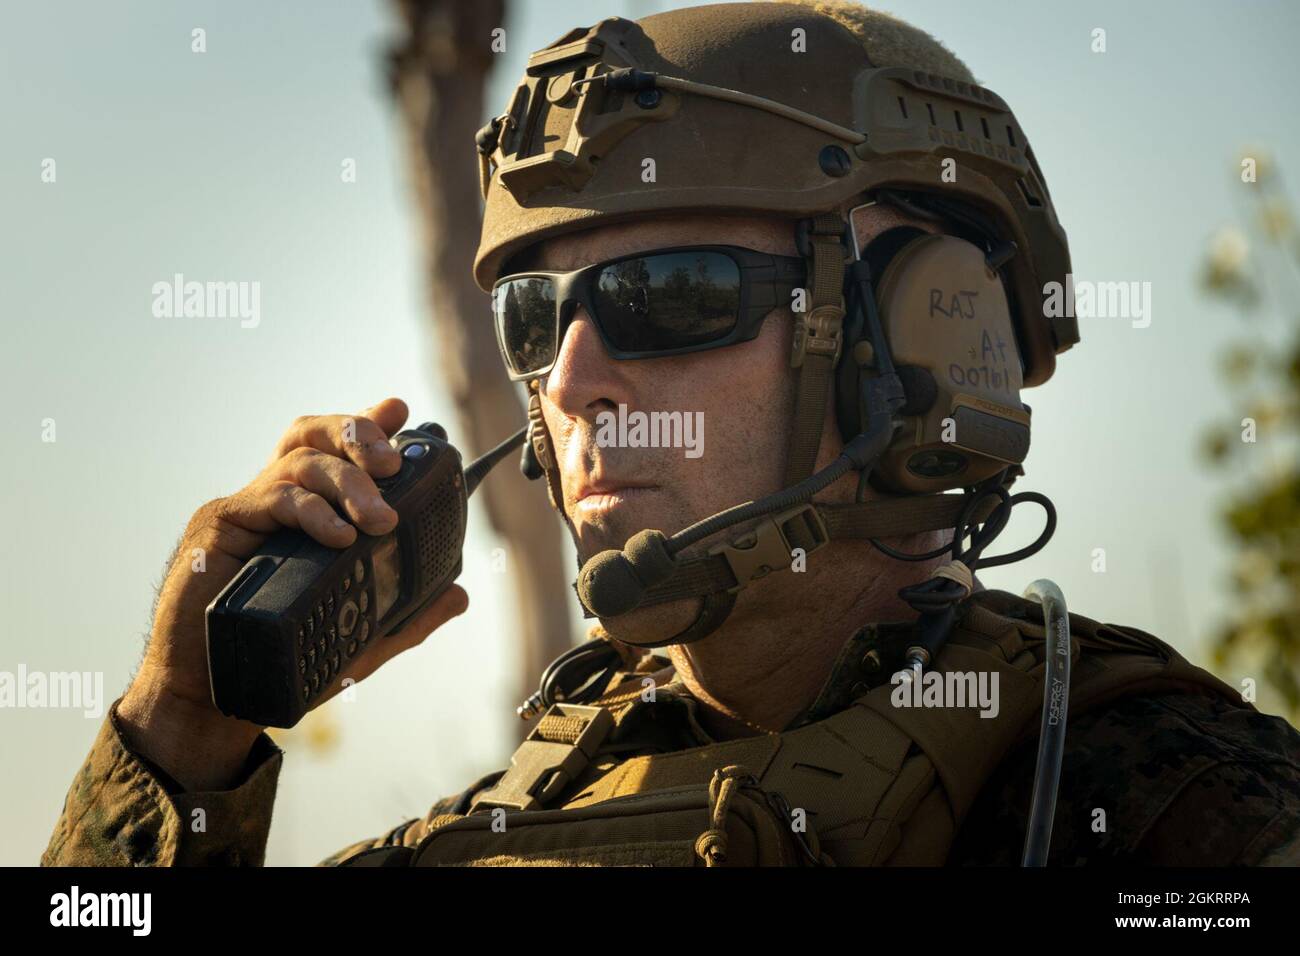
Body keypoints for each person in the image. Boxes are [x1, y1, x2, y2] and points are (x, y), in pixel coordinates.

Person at [43, 0, 1300, 867]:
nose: (574, 375)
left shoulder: (1164, 806)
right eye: (536, 317)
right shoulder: (505, 821)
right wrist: (185, 723)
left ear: (917, 341)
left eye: (670, 296)